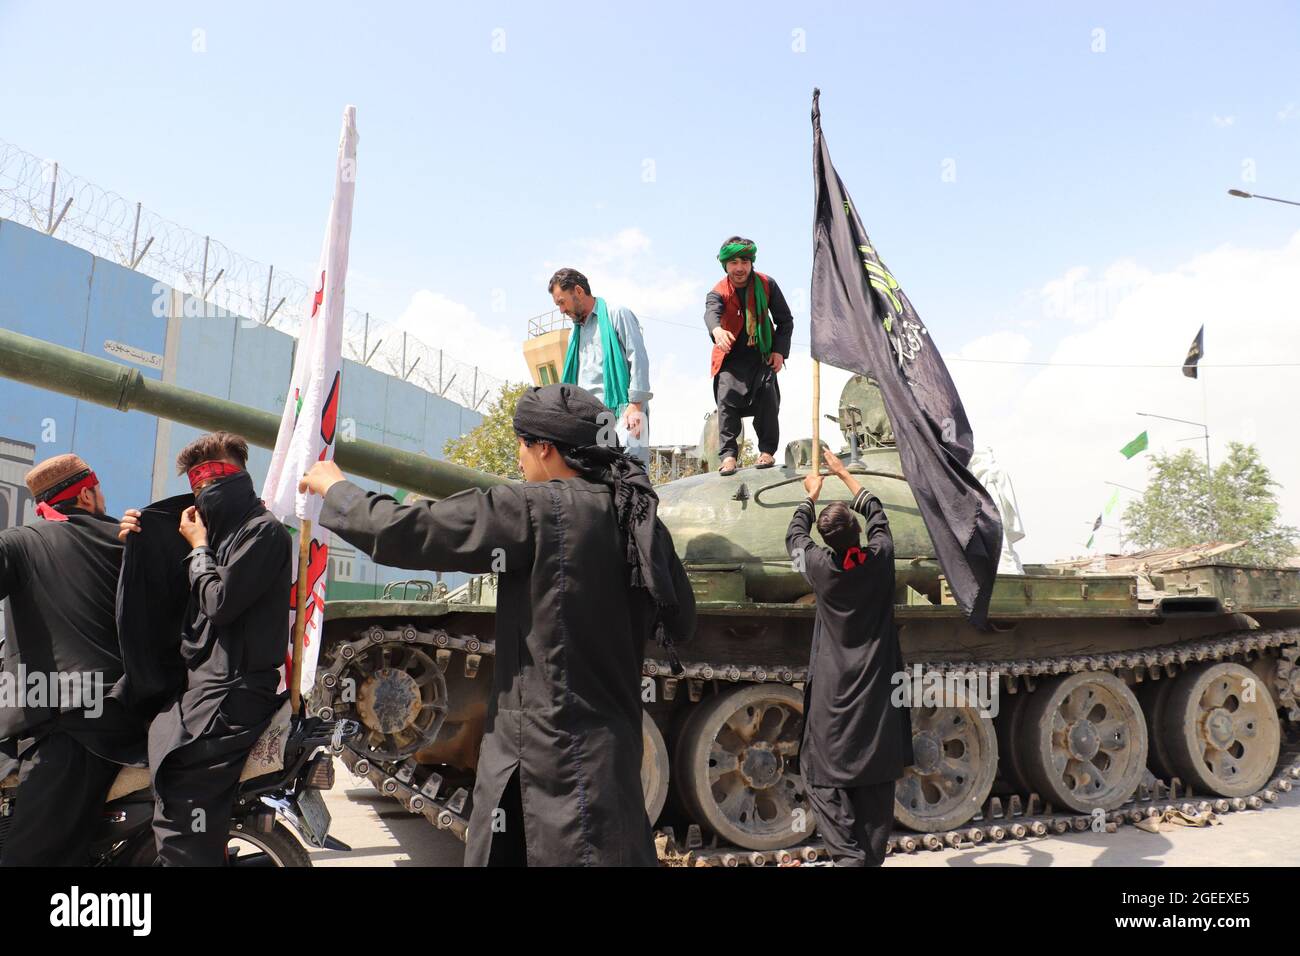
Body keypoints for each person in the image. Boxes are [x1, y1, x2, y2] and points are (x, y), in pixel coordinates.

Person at [300, 383, 695, 866]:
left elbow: (411, 531)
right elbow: (683, 619)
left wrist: (336, 490)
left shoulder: (534, 509)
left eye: (522, 445)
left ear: (544, 448)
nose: (520, 459)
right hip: (609, 757)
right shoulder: (636, 516)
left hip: (545, 759)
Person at [119, 432, 290, 866]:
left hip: (235, 691)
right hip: (203, 689)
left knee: (182, 787)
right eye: (197, 486)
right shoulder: (218, 536)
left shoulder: (262, 532)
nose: (203, 495)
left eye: (214, 481)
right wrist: (137, 539)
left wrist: (197, 547)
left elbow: (221, 602)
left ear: (240, 479)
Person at [0, 454, 145, 865]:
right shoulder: (127, 538)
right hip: (119, 717)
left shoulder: (22, 541)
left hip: (73, 733)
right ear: (86, 493)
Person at [784, 446, 913, 866]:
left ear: (827, 539)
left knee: (822, 778)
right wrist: (844, 474)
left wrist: (809, 495)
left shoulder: (821, 567)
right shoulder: (881, 559)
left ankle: (847, 858)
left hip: (833, 700)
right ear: (856, 531)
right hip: (878, 700)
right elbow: (878, 513)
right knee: (875, 788)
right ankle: (866, 860)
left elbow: (795, 537)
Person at [704, 237, 794, 476]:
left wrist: (779, 352)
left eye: (744, 261)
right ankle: (729, 456)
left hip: (761, 354)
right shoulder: (718, 292)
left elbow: (785, 321)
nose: (739, 267)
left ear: (751, 262)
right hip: (730, 357)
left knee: (767, 396)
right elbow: (711, 314)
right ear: (725, 266)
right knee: (726, 400)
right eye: (733, 262)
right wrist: (717, 330)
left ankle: (767, 451)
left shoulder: (767, 285)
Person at [549, 267, 653, 465]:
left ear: (578, 291)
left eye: (562, 302)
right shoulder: (574, 334)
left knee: (629, 471)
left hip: (624, 411)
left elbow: (638, 358)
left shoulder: (617, 314)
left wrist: (637, 405)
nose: (561, 310)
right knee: (599, 480)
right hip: (590, 419)